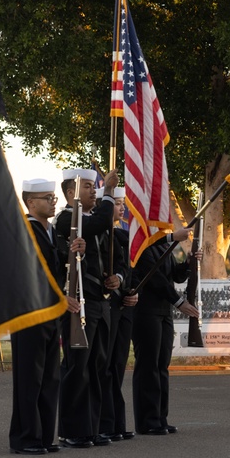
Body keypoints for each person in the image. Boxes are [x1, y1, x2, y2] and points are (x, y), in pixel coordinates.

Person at [9, 179, 84, 455]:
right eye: (47, 198)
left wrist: (77, 251)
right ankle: (25, 438)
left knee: (49, 377)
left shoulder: (52, 232)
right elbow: (30, 274)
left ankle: (43, 436)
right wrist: (59, 298)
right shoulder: (24, 230)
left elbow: (60, 268)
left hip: (51, 314)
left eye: (53, 197)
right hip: (30, 312)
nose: (54, 202)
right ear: (30, 202)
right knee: (30, 377)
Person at [54, 166, 122, 448]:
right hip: (77, 302)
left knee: (96, 366)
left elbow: (113, 254)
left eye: (96, 187)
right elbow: (101, 222)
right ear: (71, 192)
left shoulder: (91, 221)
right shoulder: (67, 219)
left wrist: (116, 278)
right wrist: (109, 191)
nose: (94, 191)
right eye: (88, 187)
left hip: (98, 301)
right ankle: (71, 430)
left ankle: (91, 427)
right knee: (77, 366)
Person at [131, 227, 199, 435]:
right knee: (148, 366)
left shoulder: (162, 246)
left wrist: (188, 263)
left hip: (163, 311)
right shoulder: (143, 246)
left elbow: (174, 276)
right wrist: (179, 302)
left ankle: (160, 417)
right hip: (146, 311)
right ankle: (147, 421)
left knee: (162, 365)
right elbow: (155, 279)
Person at [100, 187, 138, 441]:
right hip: (107, 306)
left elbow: (128, 267)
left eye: (123, 203)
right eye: (116, 203)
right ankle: (105, 423)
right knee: (105, 366)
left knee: (118, 366)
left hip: (123, 306)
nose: (122, 208)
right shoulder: (99, 235)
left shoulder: (121, 235)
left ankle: (116, 423)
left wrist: (131, 289)